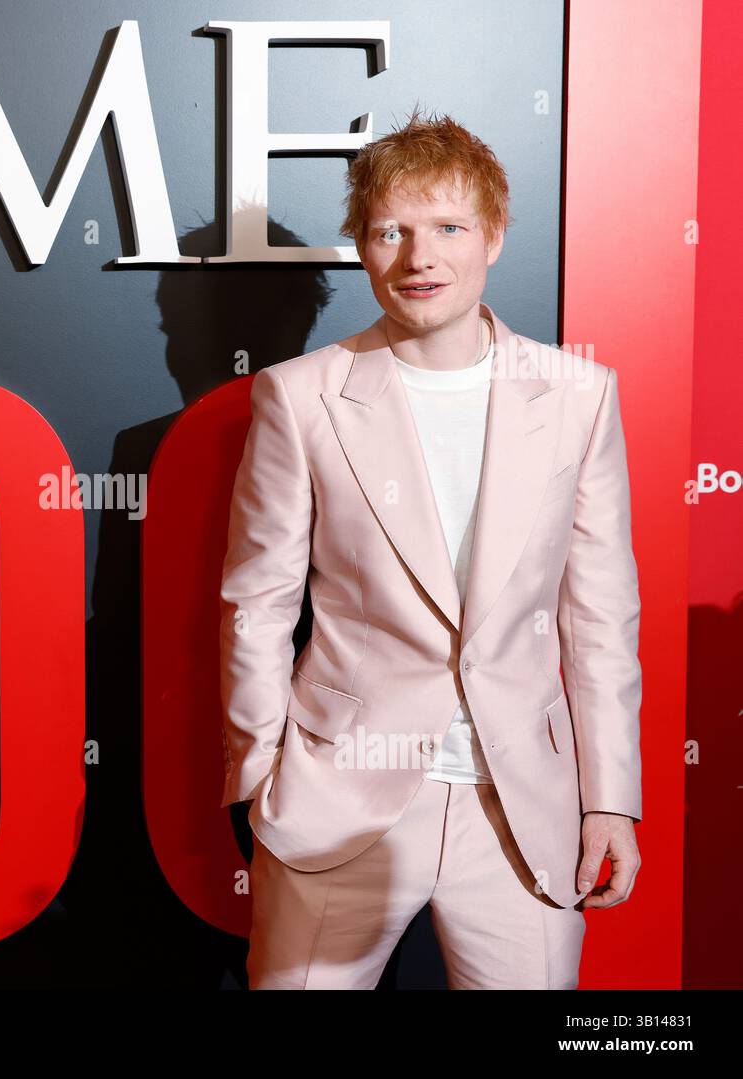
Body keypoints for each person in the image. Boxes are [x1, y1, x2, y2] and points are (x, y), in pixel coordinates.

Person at [217, 108, 642, 989]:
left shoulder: (579, 396)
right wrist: (258, 774)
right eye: (391, 231)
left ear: (493, 232)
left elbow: (599, 617)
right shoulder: (299, 399)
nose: (420, 258)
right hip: (338, 800)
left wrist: (609, 797)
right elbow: (258, 603)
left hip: (521, 809)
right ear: (363, 247)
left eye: (447, 227)